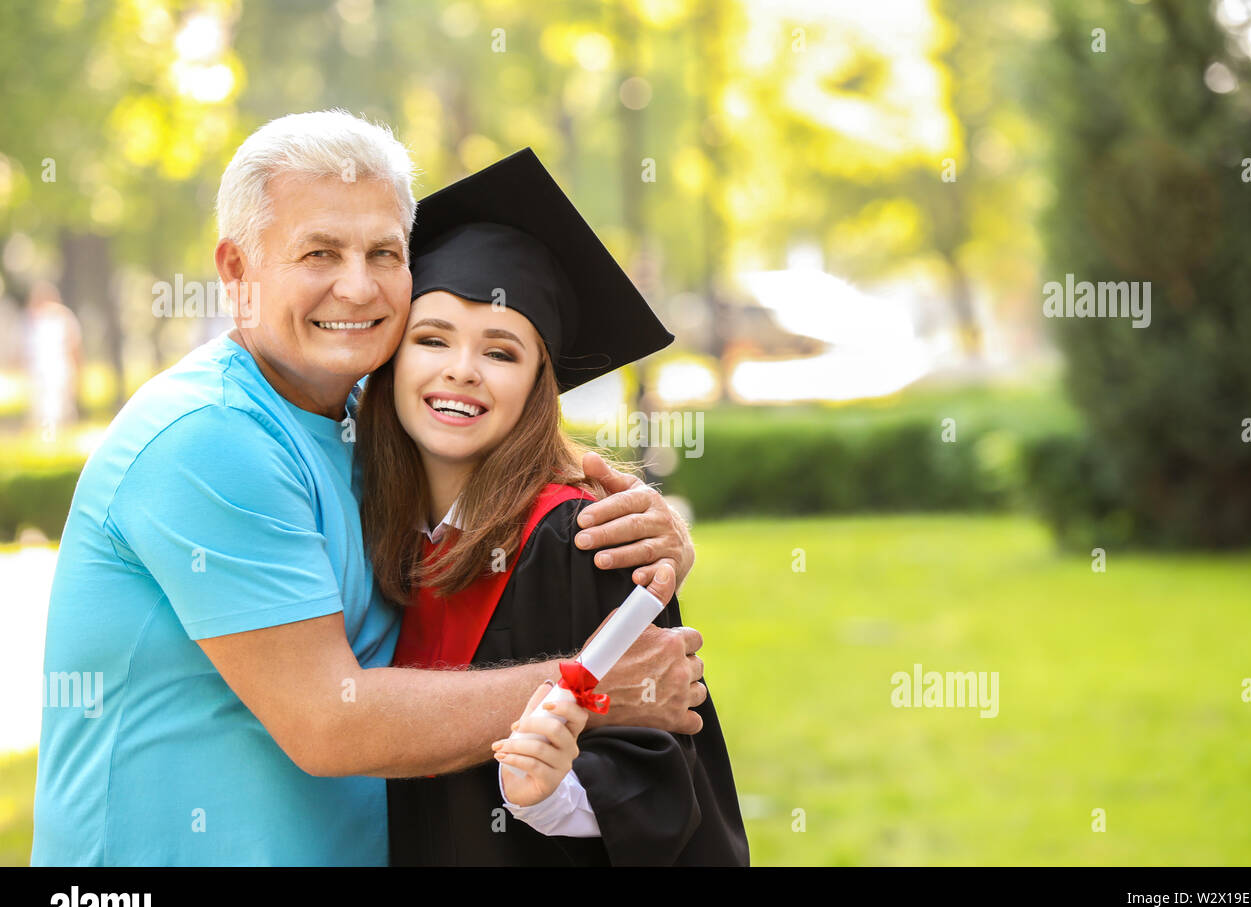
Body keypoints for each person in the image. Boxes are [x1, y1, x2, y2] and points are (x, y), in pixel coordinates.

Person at [31, 111, 706, 866]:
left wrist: (654, 538)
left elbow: (495, 466)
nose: (356, 286)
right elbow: (330, 722)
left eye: (384, 252)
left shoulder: (364, 430)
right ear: (236, 273)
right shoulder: (206, 437)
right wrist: (593, 685)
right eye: (319, 251)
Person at [361, 148, 748, 866]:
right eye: (432, 338)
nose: (461, 369)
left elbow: (672, 777)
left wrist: (552, 795)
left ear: (540, 382)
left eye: (502, 352)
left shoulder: (584, 539)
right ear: (390, 360)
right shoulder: (376, 527)